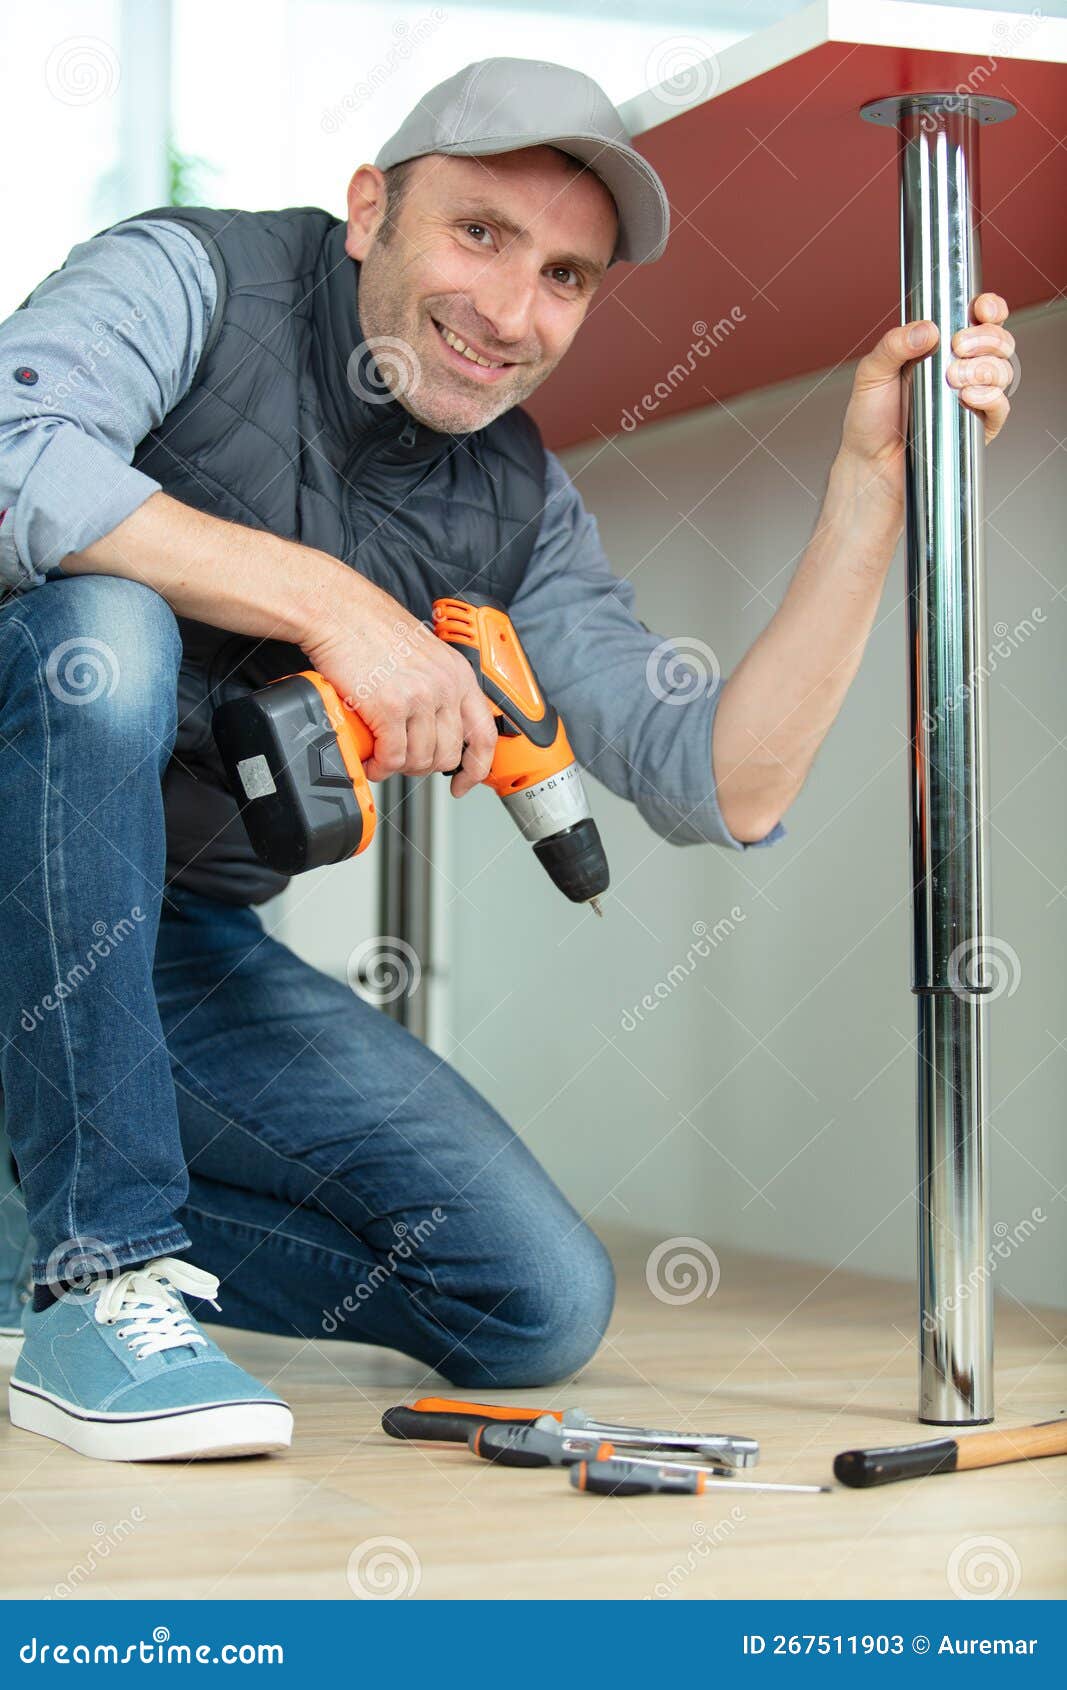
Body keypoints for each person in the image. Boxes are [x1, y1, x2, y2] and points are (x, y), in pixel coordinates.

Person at [0, 57, 1016, 1462]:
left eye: (566, 275)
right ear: (370, 211)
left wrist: (870, 489)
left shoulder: (518, 505)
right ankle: (91, 1274)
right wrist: (340, 609)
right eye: (478, 233)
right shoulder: (192, 277)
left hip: (163, 942)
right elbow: (14, 448)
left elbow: (726, 778)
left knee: (531, 1295)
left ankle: (23, 1213)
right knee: (100, 637)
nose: (512, 312)